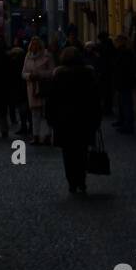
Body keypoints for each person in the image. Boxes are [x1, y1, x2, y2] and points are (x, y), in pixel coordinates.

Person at [46, 45, 102, 195]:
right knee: (82, 151)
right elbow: (95, 99)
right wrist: (97, 118)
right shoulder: (88, 73)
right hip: (84, 119)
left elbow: (52, 99)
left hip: (64, 120)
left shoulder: (59, 75)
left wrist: (50, 118)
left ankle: (72, 182)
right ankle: (81, 181)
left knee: (68, 153)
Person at [22, 35, 54, 144]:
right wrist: (29, 76)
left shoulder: (47, 56)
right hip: (32, 88)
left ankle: (47, 136)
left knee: (45, 113)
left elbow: (52, 71)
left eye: (36, 44)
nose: (34, 46)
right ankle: (36, 135)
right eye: (33, 44)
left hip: (44, 87)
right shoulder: (28, 56)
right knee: (35, 113)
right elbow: (23, 72)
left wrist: (39, 74)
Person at [112, 34, 136, 134]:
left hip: (124, 82)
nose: (115, 43)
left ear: (121, 42)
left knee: (126, 104)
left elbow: (124, 69)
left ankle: (128, 125)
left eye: (117, 41)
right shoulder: (124, 51)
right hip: (123, 81)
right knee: (123, 103)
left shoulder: (125, 52)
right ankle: (123, 122)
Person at [6, 42, 31, 135]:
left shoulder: (12, 63)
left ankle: (24, 126)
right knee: (26, 110)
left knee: (22, 110)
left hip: (18, 89)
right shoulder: (24, 62)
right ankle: (29, 127)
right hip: (24, 88)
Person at [97, 30, 115, 115]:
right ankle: (107, 108)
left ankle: (107, 109)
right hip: (108, 72)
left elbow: (104, 57)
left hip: (106, 72)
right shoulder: (108, 44)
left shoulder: (106, 46)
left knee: (106, 92)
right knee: (107, 93)